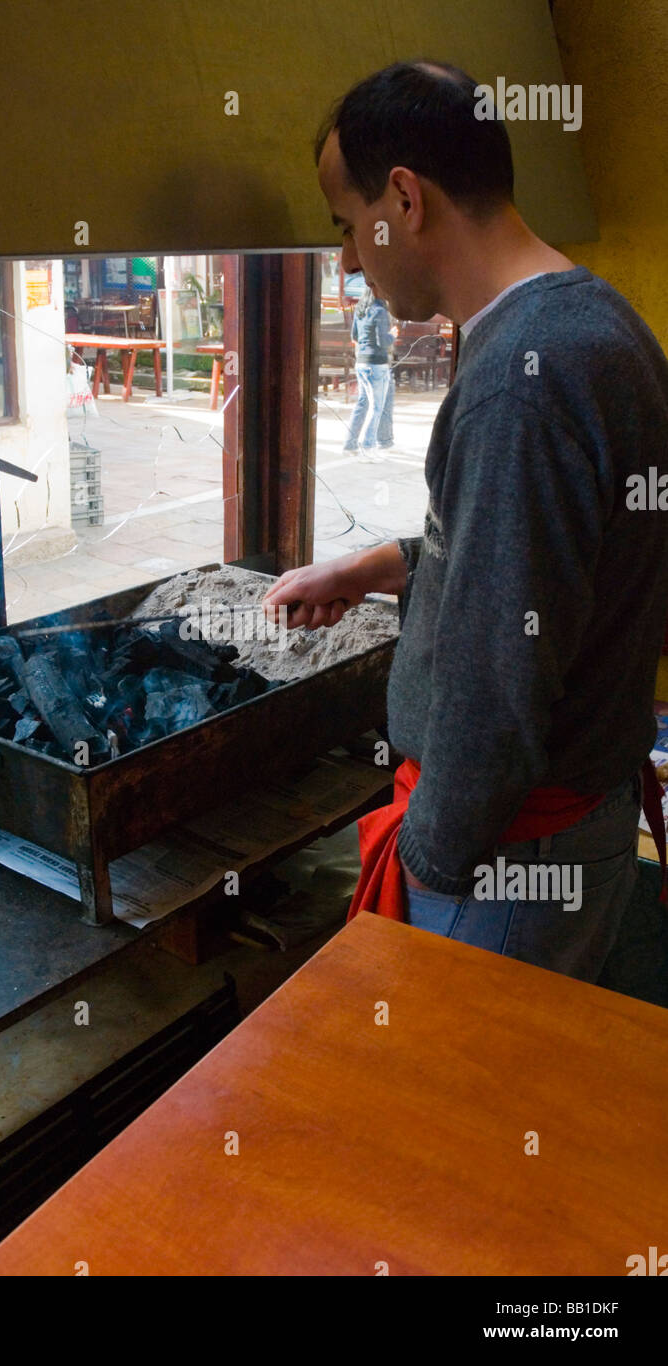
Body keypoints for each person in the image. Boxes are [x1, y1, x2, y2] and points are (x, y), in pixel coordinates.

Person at [263, 60, 668, 986]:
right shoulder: (595, 321)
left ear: (403, 198)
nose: (347, 262)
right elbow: (540, 567)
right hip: (572, 830)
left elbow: (497, 681)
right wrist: (365, 569)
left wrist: (426, 867)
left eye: (345, 226)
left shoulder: (522, 380)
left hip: (504, 869)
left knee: (469, 1117)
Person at [343, 289, 395, 456]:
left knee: (362, 404)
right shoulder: (380, 311)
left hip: (361, 363)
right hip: (377, 364)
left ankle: (350, 445)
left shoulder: (361, 311)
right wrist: (392, 335)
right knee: (377, 407)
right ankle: (368, 446)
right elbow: (382, 342)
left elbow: (355, 337)